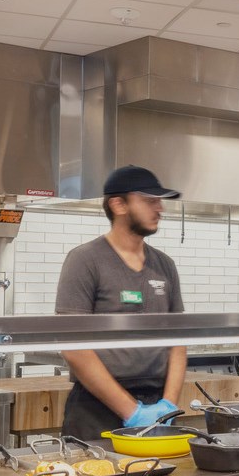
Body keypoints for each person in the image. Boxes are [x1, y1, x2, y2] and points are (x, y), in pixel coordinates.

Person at [54, 165, 187, 440]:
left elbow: (178, 340)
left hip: (157, 400)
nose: (159, 208)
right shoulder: (85, 260)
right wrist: (131, 412)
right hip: (96, 408)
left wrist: (168, 407)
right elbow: (74, 347)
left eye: (159, 201)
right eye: (150, 200)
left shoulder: (165, 265)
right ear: (118, 204)